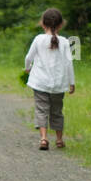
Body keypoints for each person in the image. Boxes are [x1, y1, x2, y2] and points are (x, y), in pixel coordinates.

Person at [23, 9, 75, 150]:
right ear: (60, 25)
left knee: (41, 110)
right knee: (57, 111)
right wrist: (72, 83)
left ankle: (44, 138)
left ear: (42, 23)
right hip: (58, 85)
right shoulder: (65, 42)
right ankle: (59, 140)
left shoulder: (38, 39)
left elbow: (29, 58)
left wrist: (27, 69)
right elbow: (69, 63)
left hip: (40, 83)